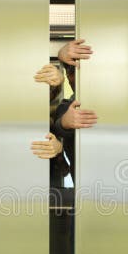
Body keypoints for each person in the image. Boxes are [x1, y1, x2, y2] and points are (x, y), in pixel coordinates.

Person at [30, 39, 98, 178]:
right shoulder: (66, 105)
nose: (75, 77)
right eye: (70, 71)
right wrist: (64, 124)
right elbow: (59, 124)